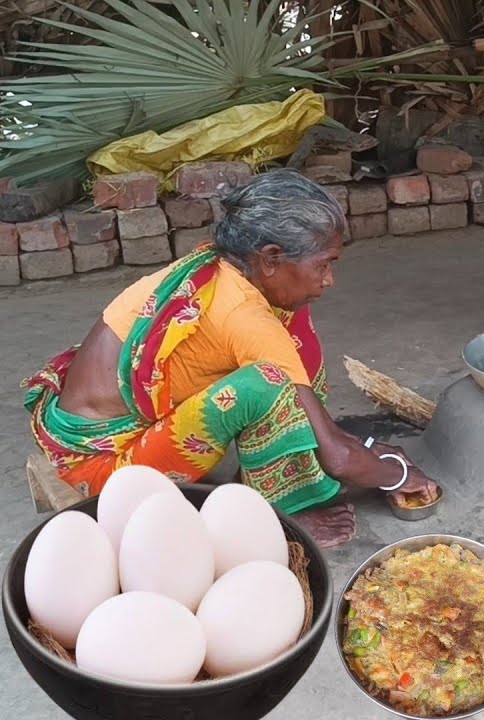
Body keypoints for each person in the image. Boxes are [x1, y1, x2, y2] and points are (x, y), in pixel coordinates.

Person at [23, 170, 437, 548]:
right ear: (271, 258)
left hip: (78, 421)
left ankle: (299, 459)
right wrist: (394, 475)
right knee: (269, 382)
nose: (330, 280)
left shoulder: (224, 268)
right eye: (324, 265)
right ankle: (279, 515)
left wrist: (365, 445)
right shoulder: (245, 317)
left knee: (290, 332)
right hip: (103, 467)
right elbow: (339, 460)